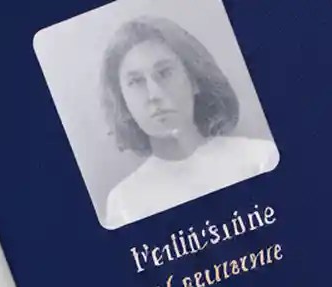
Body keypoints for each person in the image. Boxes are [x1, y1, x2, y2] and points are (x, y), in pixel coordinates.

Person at [100, 16, 278, 228]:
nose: (153, 94)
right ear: (123, 101)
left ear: (194, 80)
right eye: (136, 82)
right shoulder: (124, 203)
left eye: (165, 73)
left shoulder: (258, 159)